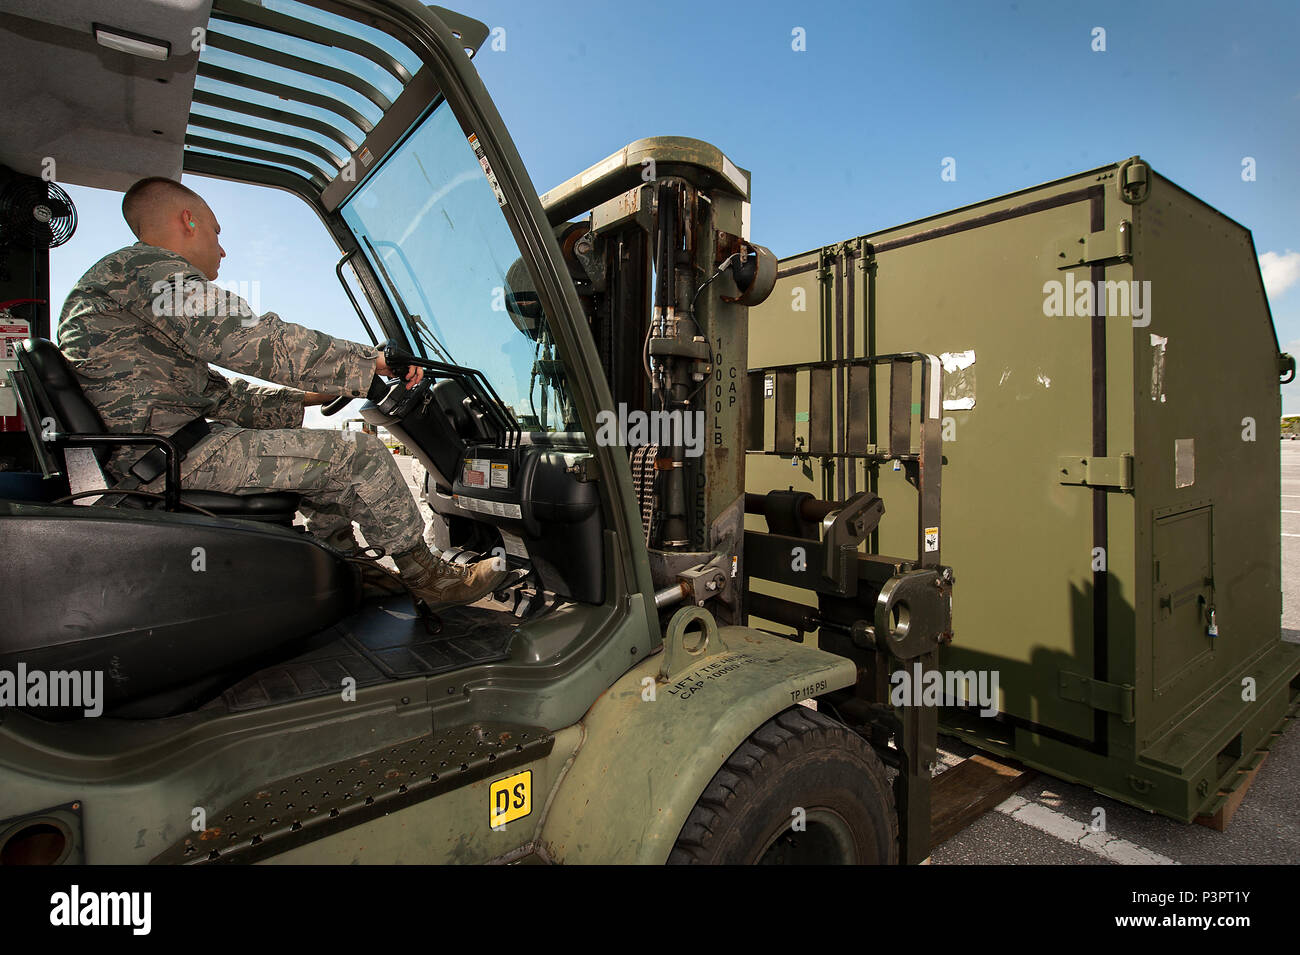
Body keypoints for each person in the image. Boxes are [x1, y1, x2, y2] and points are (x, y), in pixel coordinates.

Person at [56, 176, 505, 607]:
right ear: (188, 221)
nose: (222, 247)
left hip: (162, 456)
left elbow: (227, 399)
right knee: (359, 455)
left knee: (326, 473)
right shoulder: (146, 271)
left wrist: (315, 394)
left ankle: (352, 569)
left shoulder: (123, 290)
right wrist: (372, 361)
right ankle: (430, 578)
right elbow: (251, 340)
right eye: (217, 231)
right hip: (168, 461)